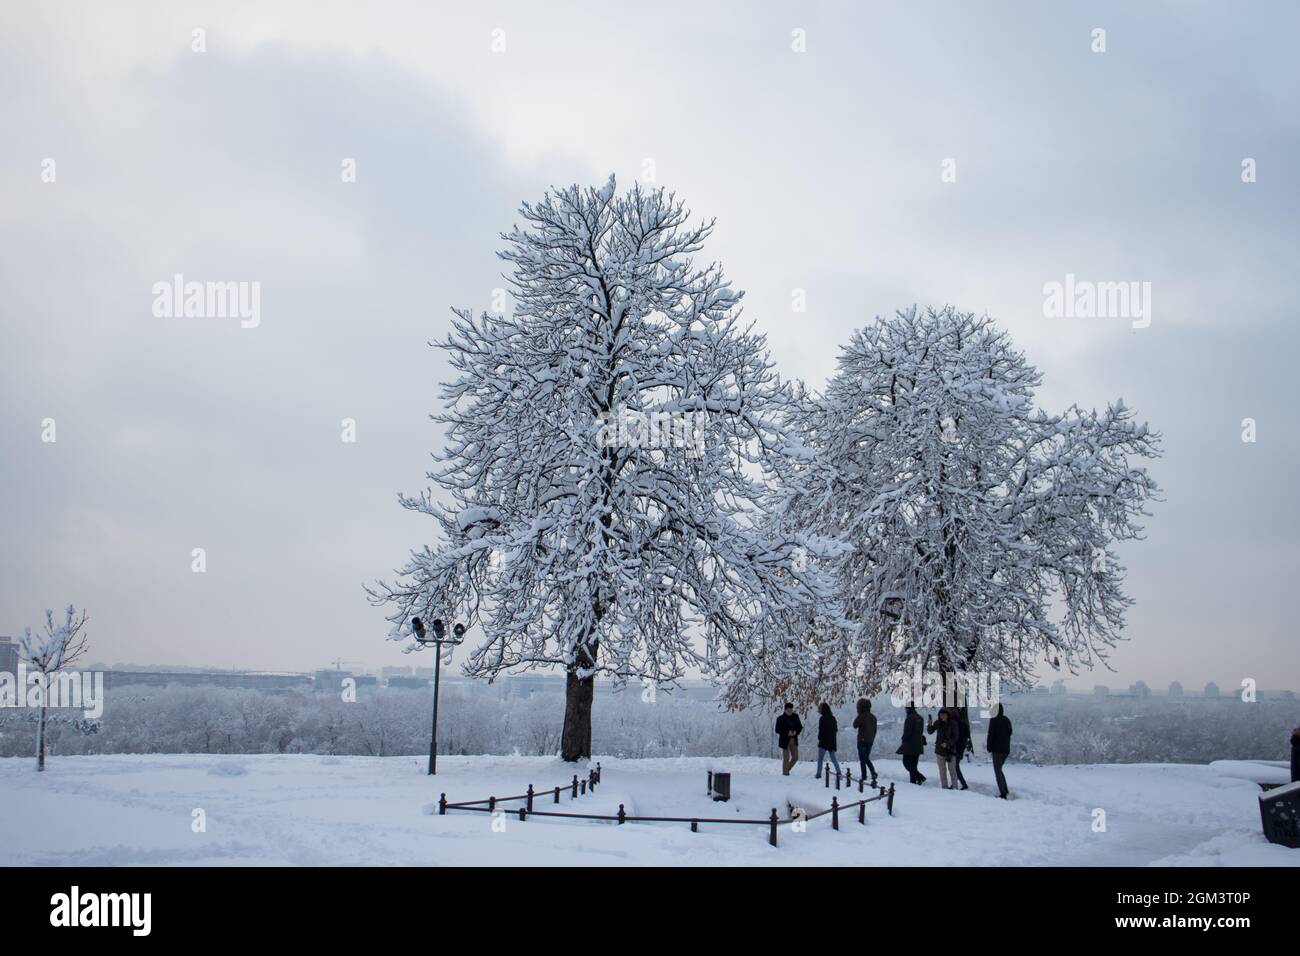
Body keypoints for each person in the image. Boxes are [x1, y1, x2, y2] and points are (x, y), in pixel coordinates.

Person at [927, 708, 959, 789]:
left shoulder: (953, 723)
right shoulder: (938, 723)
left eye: (944, 715)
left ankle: (955, 787)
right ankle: (944, 787)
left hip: (950, 751)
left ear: (948, 715)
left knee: (952, 771)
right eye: (941, 715)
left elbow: (955, 737)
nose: (942, 716)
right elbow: (930, 732)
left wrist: (947, 744)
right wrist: (929, 725)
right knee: (942, 771)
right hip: (939, 750)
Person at [986, 702, 1013, 798]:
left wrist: (989, 747)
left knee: (997, 771)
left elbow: (991, 735)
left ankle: (1003, 793)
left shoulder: (994, 720)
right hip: (1005, 750)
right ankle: (1005, 789)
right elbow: (1010, 732)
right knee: (999, 770)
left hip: (996, 750)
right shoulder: (1006, 720)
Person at [898, 701, 927, 784]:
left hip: (909, 745)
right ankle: (913, 781)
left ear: (907, 709)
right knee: (914, 764)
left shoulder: (910, 718)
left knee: (906, 763)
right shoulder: (920, 718)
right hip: (918, 744)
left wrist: (903, 740)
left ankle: (920, 777)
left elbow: (907, 732)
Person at [852, 697, 878, 785]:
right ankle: (873, 772)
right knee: (866, 757)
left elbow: (855, 725)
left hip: (862, 740)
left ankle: (864, 775)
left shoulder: (861, 716)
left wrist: (858, 715)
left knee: (862, 759)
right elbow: (875, 730)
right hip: (870, 741)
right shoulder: (873, 717)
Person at [774, 702, 803, 776]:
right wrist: (787, 732)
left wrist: (796, 732)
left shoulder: (795, 717)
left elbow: (800, 727)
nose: (790, 712)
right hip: (784, 741)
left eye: (791, 710)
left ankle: (786, 770)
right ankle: (785, 773)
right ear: (785, 710)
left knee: (795, 758)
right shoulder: (780, 718)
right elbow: (777, 729)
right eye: (788, 710)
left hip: (794, 740)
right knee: (786, 758)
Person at [815, 701, 841, 780]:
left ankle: (818, 774)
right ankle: (839, 772)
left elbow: (821, 731)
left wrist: (819, 739)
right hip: (832, 741)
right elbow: (836, 730)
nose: (818, 710)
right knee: (833, 758)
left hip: (823, 742)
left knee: (820, 759)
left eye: (819, 709)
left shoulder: (822, 719)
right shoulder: (833, 718)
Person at [952, 706, 972, 790]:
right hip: (960, 747)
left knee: (955, 766)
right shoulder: (963, 724)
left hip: (957, 747)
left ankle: (963, 784)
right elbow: (967, 736)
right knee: (955, 766)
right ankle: (956, 783)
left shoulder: (956, 724)